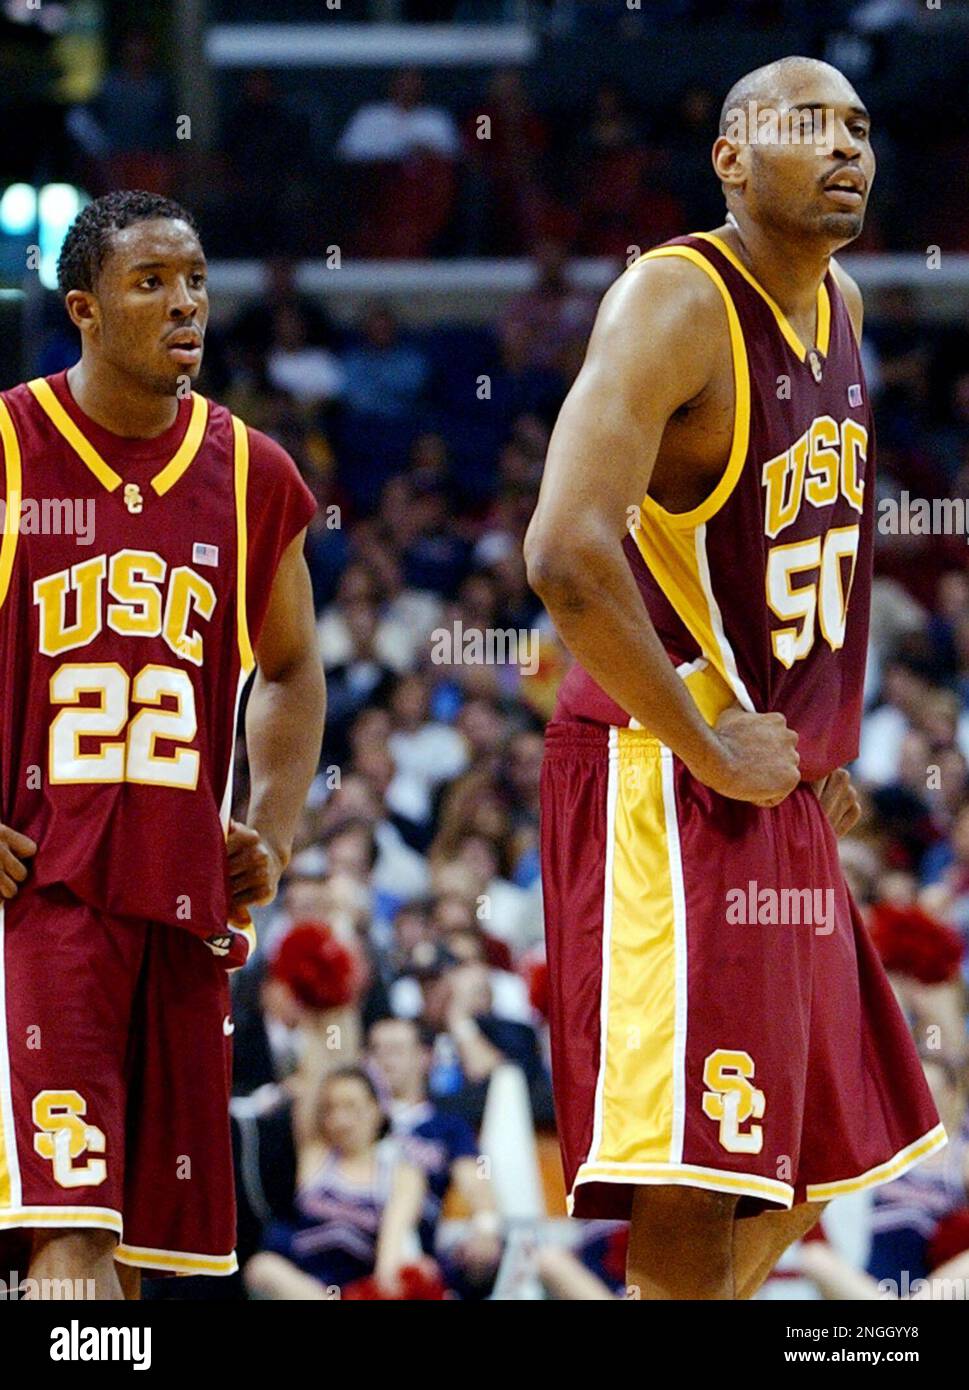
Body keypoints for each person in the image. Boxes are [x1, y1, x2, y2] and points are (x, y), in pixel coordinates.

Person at [524, 57, 944, 1301]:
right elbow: (562, 553)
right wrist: (714, 747)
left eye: (860, 128)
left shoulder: (847, 308)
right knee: (699, 1186)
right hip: (662, 774)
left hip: (769, 781)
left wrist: (815, 747)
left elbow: (795, 561)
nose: (848, 147)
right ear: (730, 157)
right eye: (808, 125)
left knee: (830, 1136)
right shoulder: (674, 301)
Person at [0, 191, 326, 1297]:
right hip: (40, 902)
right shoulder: (6, 449)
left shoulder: (254, 473)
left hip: (182, 910)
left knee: (133, 1259)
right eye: (152, 283)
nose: (185, 302)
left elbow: (290, 672)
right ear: (85, 308)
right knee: (72, 1238)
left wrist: (269, 828)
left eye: (194, 279)